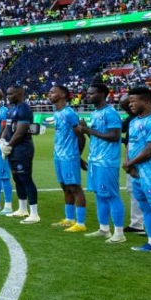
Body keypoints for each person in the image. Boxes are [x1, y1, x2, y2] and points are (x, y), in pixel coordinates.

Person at [76, 83, 126, 243]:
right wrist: (86, 129)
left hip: (107, 162)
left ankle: (119, 233)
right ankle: (104, 229)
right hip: (95, 160)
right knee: (100, 195)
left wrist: (89, 130)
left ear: (102, 94)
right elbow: (98, 137)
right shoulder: (96, 113)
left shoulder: (110, 113)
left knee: (111, 195)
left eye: (91, 93)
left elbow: (114, 136)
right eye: (87, 93)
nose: (87, 96)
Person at [48, 85, 87, 232]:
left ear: (63, 94)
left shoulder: (69, 113)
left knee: (75, 187)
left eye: (53, 92)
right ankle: (69, 219)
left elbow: (81, 136)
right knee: (65, 187)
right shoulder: (58, 112)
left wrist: (77, 156)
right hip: (59, 156)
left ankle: (81, 223)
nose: (50, 94)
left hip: (69, 156)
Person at [0, 85, 40, 224]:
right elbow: (7, 128)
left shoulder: (24, 109)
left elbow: (20, 132)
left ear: (19, 93)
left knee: (25, 178)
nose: (8, 96)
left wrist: (8, 146)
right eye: (7, 94)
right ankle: (22, 209)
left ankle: (34, 213)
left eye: (10, 94)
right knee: (17, 178)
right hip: (13, 149)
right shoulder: (11, 110)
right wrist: (3, 140)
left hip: (23, 149)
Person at [122, 86, 151, 251]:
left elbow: (150, 149)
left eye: (133, 101)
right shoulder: (133, 122)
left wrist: (129, 163)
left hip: (150, 173)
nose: (130, 104)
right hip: (136, 174)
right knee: (146, 209)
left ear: (147, 101)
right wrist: (128, 163)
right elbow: (129, 144)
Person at [119, 94, 145, 234]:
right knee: (134, 191)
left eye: (130, 103)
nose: (129, 107)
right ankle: (137, 224)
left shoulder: (145, 120)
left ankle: (139, 224)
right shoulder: (132, 120)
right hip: (134, 161)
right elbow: (129, 141)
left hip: (144, 162)